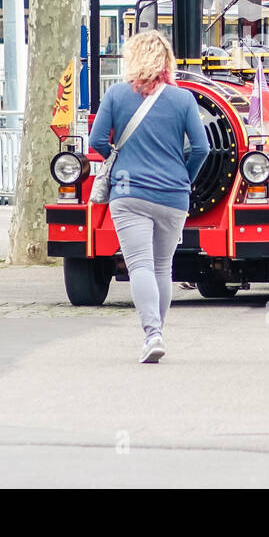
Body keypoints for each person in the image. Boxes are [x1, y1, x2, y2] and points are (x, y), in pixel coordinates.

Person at [89, 30, 209, 363]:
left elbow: (97, 141)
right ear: (167, 61)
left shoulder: (115, 95)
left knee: (139, 264)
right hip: (174, 195)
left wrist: (118, 153)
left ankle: (152, 334)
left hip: (129, 192)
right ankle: (158, 332)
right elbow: (201, 148)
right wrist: (184, 176)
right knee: (162, 268)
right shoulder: (183, 99)